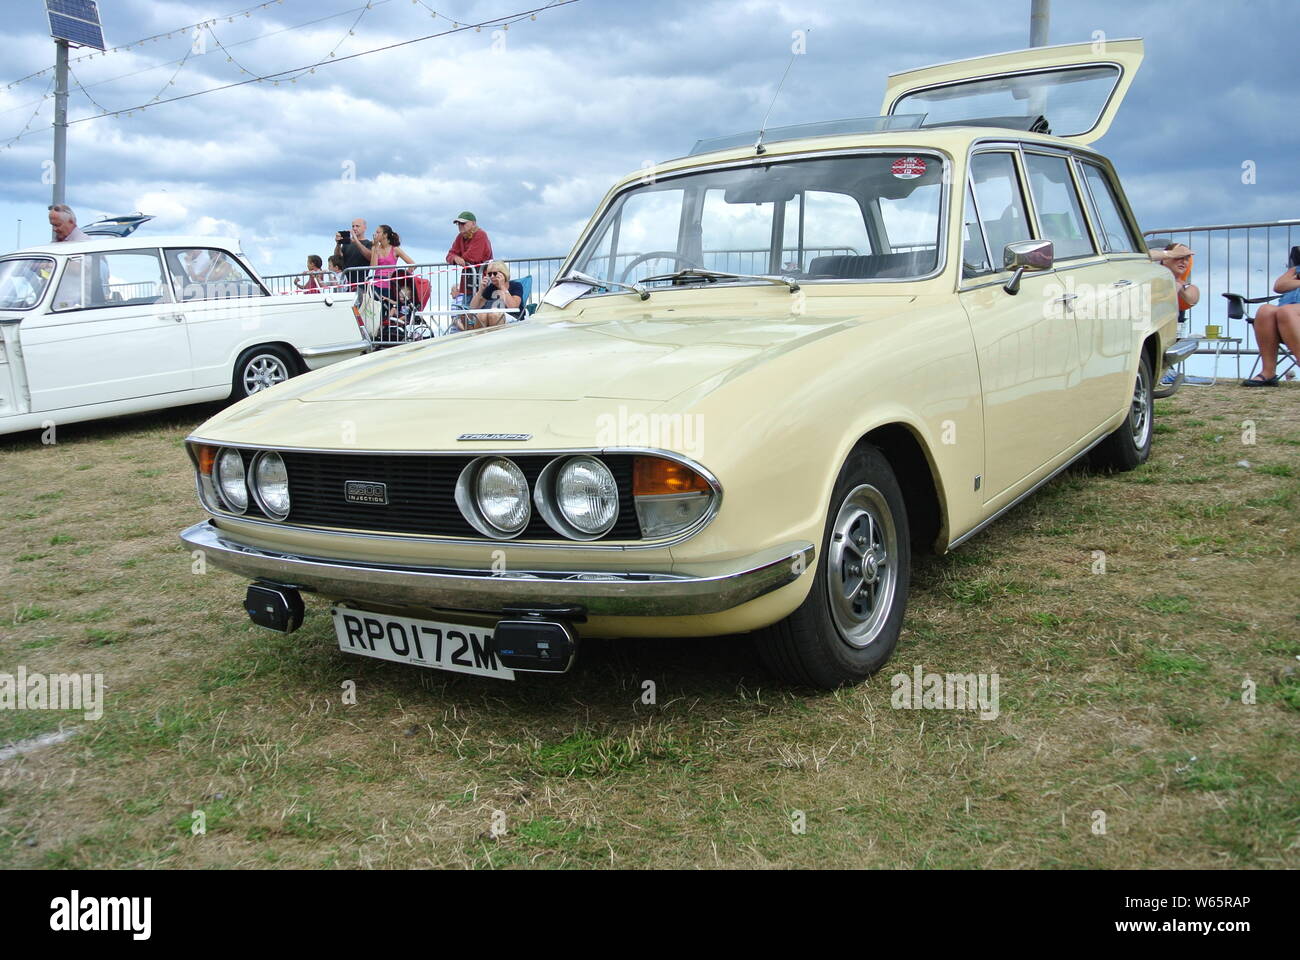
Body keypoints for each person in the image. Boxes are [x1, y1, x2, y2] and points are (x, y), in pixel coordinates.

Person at [1242, 260, 1300, 387]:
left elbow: (1286, 285)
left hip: (1291, 314)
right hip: (1285, 318)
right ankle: (1268, 372)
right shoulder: (1296, 270)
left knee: (1286, 311)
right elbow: (1279, 286)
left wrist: (1293, 283)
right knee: (1265, 310)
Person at [369, 224, 415, 334]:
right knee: (376, 312)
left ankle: (387, 333)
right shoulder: (375, 248)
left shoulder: (395, 249)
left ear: (385, 235)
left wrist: (401, 277)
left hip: (390, 286)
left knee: (388, 310)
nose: (375, 234)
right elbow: (373, 267)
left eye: (378, 232)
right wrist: (375, 248)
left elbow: (412, 264)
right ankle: (376, 334)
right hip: (377, 284)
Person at [462, 260, 524, 330]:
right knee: (481, 315)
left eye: (495, 273)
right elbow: (473, 307)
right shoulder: (491, 288)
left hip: (515, 317)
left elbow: (513, 306)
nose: (492, 276)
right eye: (489, 274)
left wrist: (502, 286)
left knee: (494, 315)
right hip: (496, 315)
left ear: (503, 273)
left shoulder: (516, 286)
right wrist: (480, 290)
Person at [445, 211, 492, 302]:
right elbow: (449, 255)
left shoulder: (481, 234)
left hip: (484, 282)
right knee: (466, 309)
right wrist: (455, 258)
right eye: (458, 223)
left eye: (463, 223)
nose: (460, 226)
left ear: (473, 223)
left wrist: (457, 257)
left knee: (481, 308)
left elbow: (472, 257)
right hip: (468, 284)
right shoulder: (460, 237)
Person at [334, 218, 372, 288]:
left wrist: (356, 241)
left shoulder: (369, 243)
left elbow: (369, 256)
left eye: (357, 226)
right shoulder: (347, 244)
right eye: (353, 226)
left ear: (364, 228)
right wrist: (338, 244)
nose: (354, 228)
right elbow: (337, 258)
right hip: (347, 282)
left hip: (362, 283)